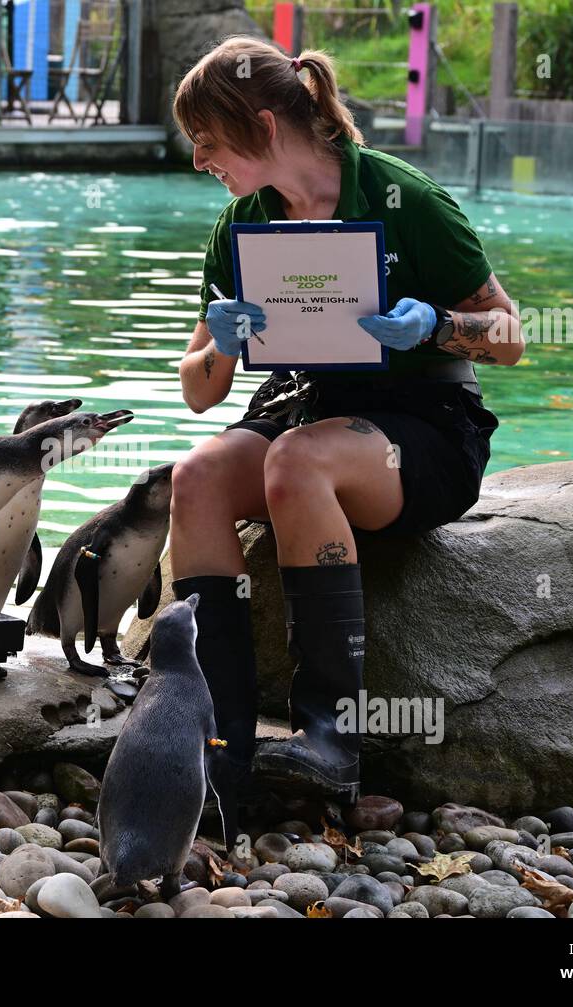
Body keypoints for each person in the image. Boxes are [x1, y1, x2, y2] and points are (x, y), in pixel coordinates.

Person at [168, 36, 522, 837]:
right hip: (303, 405)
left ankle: (331, 738)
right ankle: (220, 744)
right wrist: (220, 340)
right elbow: (199, 393)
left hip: (421, 426)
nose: (199, 161)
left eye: (208, 140)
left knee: (298, 461)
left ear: (261, 124)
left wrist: (434, 324)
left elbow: (508, 336)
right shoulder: (240, 223)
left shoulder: (405, 198)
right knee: (195, 476)